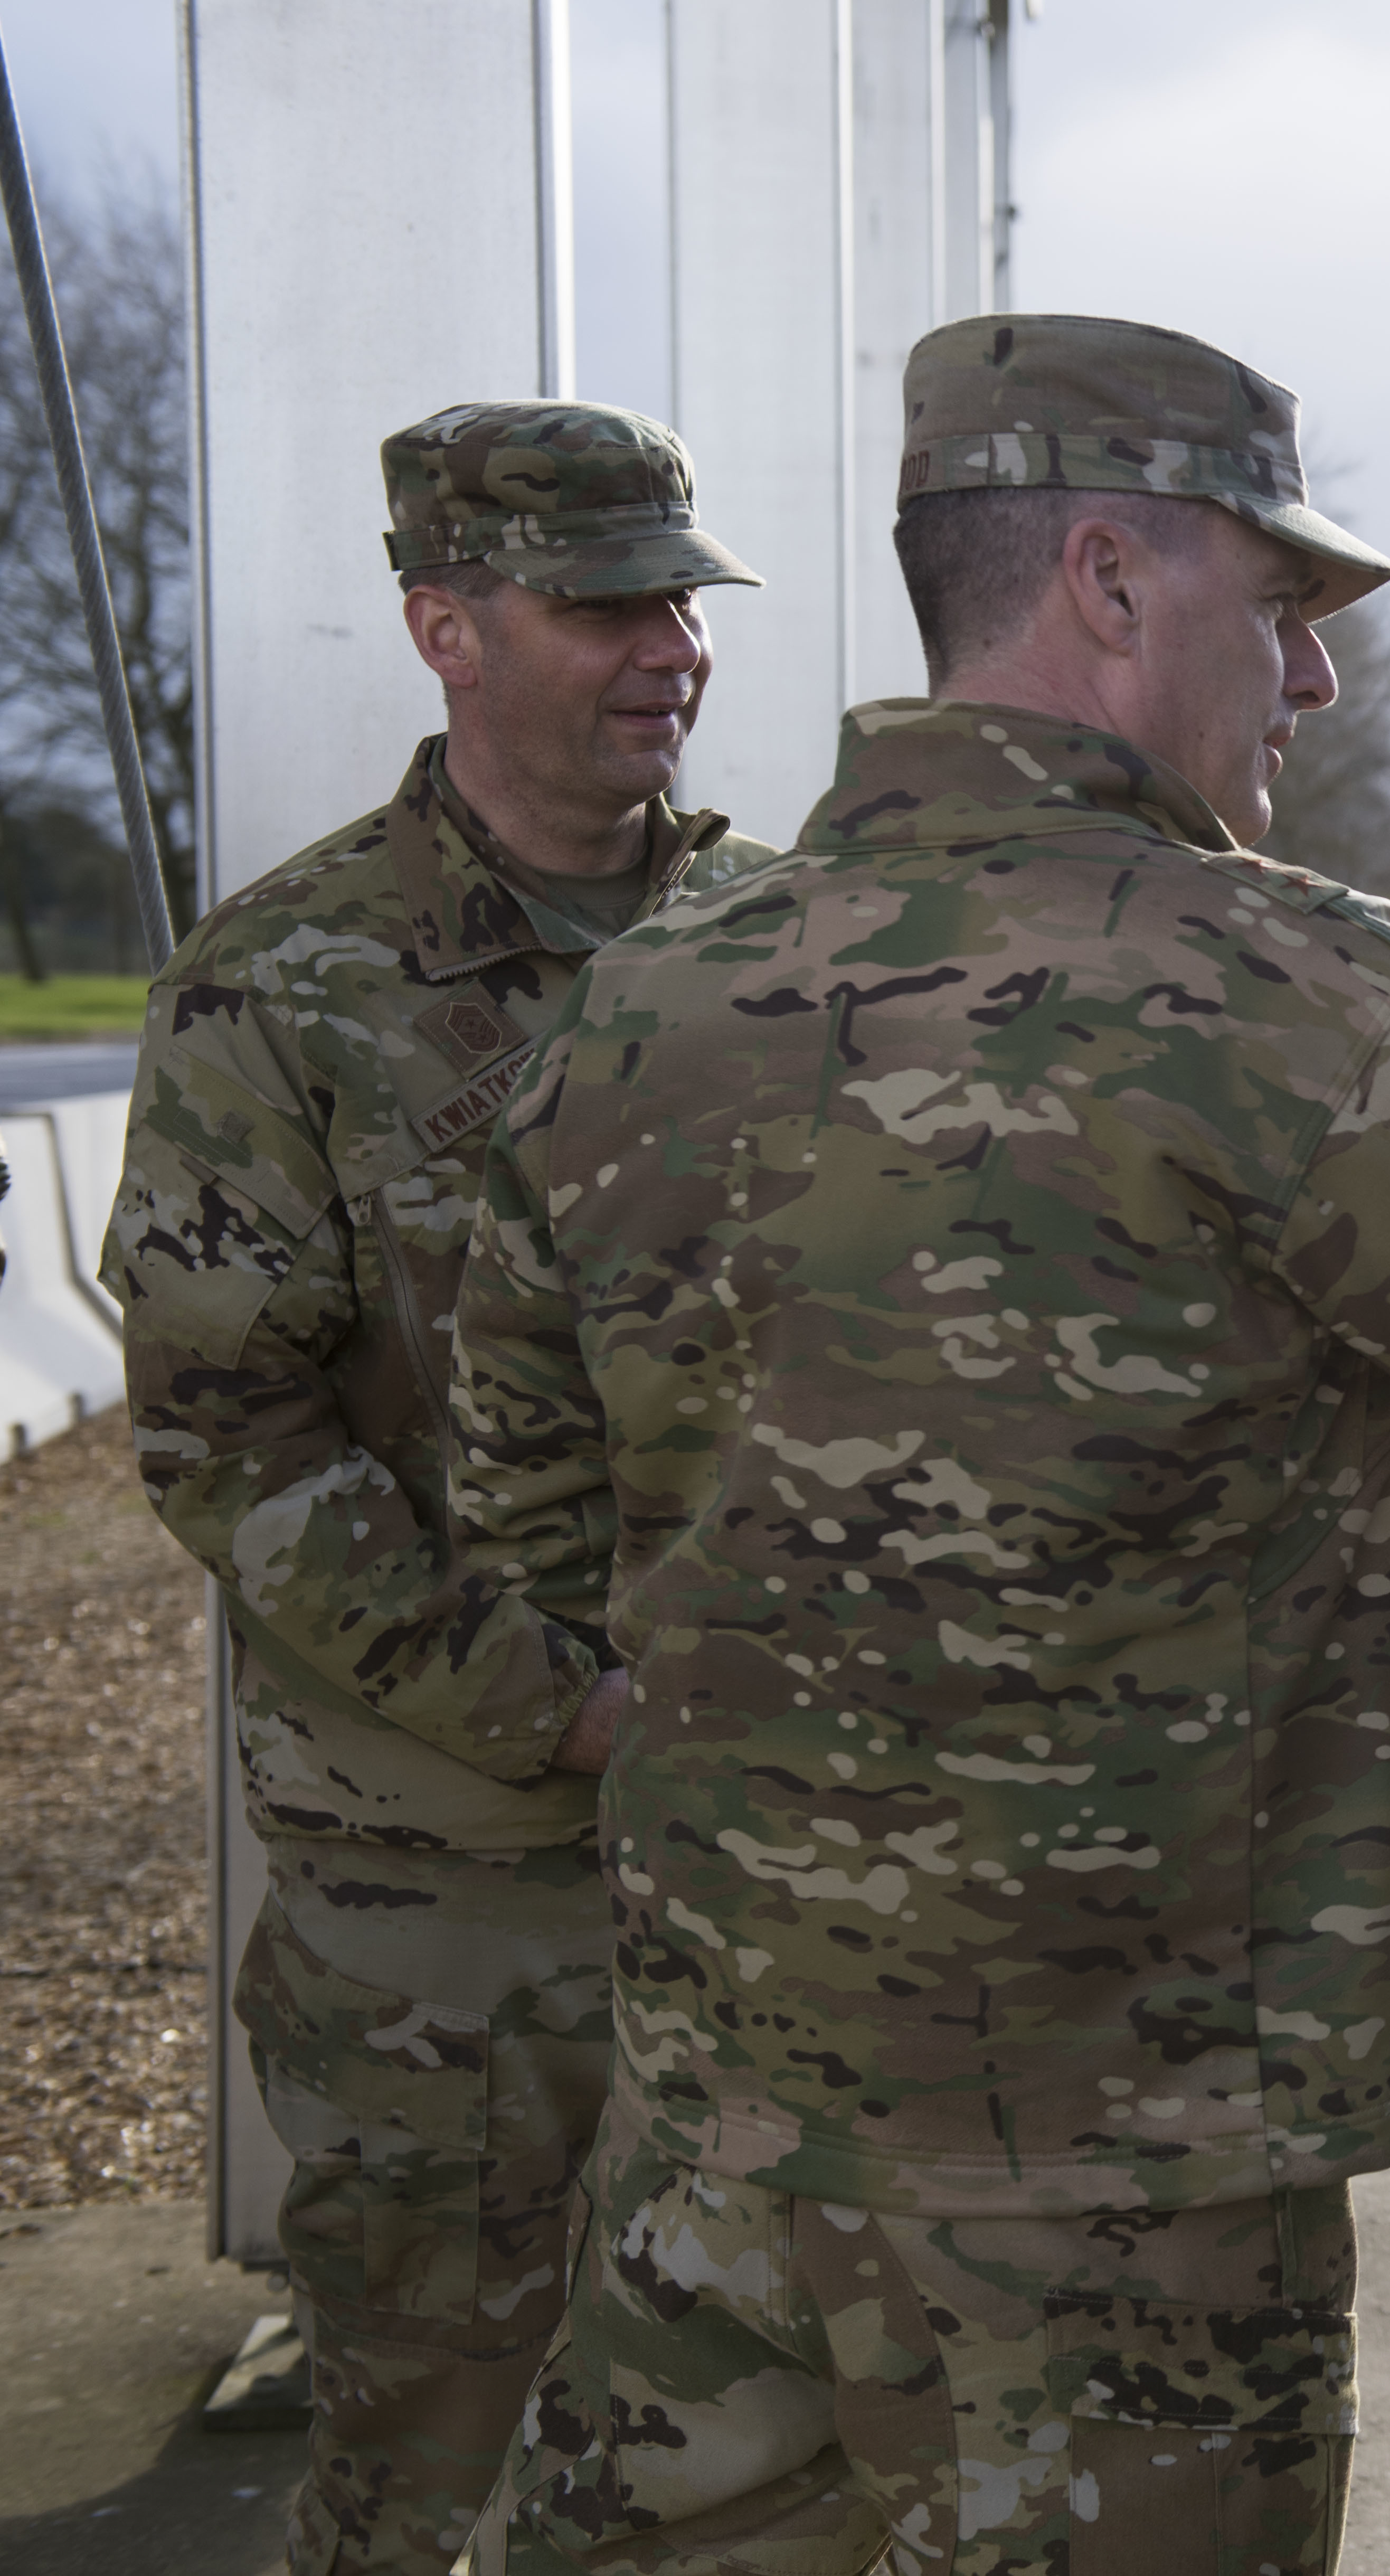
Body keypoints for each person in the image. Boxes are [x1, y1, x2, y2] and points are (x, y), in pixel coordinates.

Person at [443, 313, 1390, 2576]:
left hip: (722, 2146)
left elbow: (525, 1510)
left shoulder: (634, 1008)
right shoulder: (1299, 1002)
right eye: (1283, 614)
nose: (1320, 685)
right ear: (1105, 578)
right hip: (1126, 2192)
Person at [100, 401, 770, 2576]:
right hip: (455, 1920)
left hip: (787, 1878)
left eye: (684, 596)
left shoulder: (801, 956)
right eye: (605, 602)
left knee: (756, 2468)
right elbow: (232, 1433)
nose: (669, 642)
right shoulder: (282, 989)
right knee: (428, 2473)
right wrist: (554, 1701)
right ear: (445, 623)